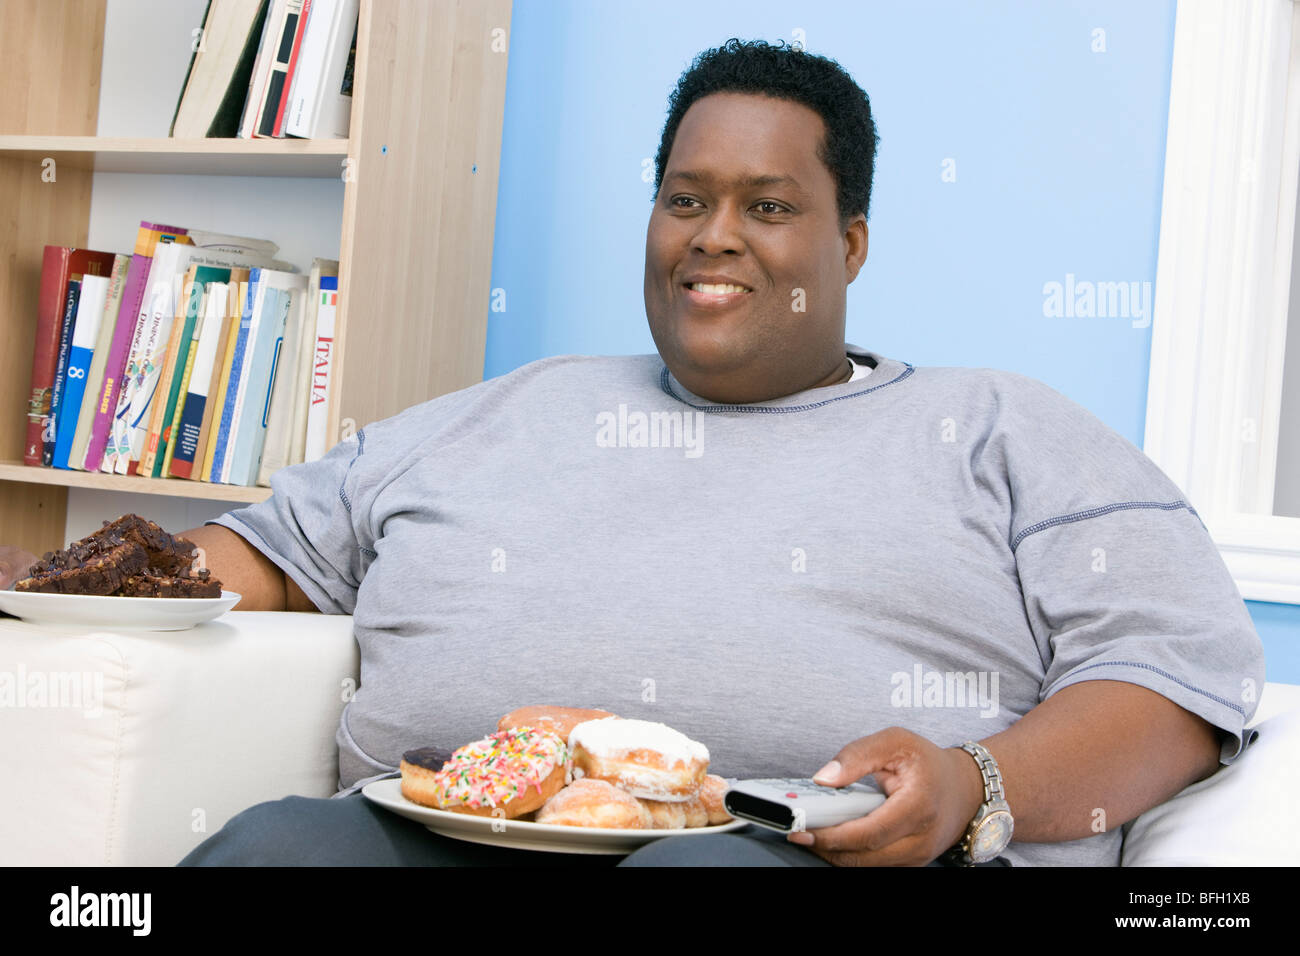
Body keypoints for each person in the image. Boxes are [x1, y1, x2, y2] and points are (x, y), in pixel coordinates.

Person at [1, 39, 1264, 867]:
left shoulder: (1006, 428)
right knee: (272, 850)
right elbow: (265, 555)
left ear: (853, 245)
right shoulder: (507, 407)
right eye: (684, 198)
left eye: (768, 207)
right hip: (433, 829)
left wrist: (976, 783)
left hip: (789, 850)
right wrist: (78, 578)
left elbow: (1180, 682)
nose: (714, 237)